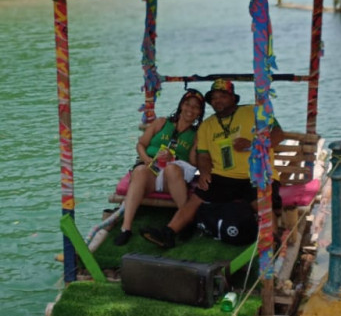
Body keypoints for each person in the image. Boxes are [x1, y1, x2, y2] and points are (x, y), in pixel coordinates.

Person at [142, 78, 284, 249]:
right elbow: (203, 155)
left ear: (233, 98)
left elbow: (278, 134)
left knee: (259, 199)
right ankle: (168, 233)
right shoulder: (207, 125)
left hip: (258, 173)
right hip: (223, 177)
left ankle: (272, 239)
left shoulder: (254, 111)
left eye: (222, 96)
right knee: (197, 198)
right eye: (214, 98)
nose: (217, 101)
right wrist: (204, 173)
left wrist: (254, 144)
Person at [114, 88, 206, 246]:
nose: (190, 109)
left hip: (174, 177)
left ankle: (185, 220)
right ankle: (126, 228)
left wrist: (174, 158)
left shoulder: (196, 134)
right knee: (140, 171)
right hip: (152, 169)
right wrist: (147, 160)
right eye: (187, 104)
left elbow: (193, 163)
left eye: (196, 107)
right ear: (181, 105)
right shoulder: (162, 123)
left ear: (200, 113)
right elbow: (141, 144)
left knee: (172, 169)